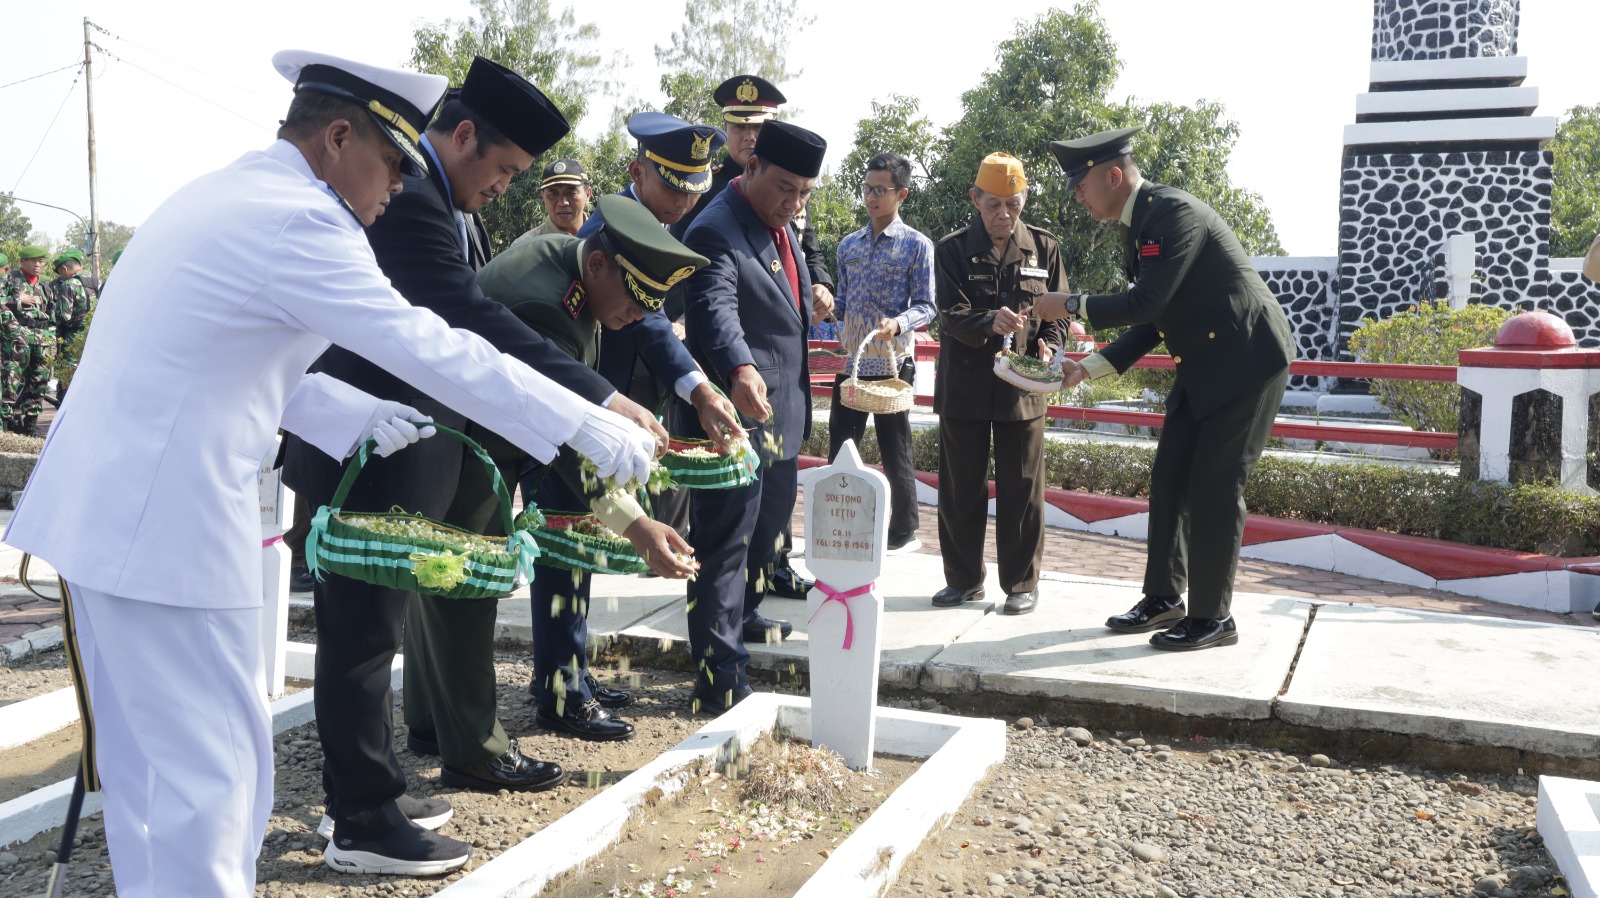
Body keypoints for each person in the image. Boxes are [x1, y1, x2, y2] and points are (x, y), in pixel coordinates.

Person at [2, 49, 653, 898]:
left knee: (151, 780)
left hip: (113, 526)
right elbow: (432, 343)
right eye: (389, 164)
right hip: (171, 537)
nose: (395, 189)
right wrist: (584, 422)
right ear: (339, 137)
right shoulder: (303, 220)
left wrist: (350, 416)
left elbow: (229, 356)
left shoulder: (231, 192)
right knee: (218, 783)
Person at [278, 55, 661, 876]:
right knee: (357, 639)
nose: (506, 187)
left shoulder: (442, 199)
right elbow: (464, 316)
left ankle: (374, 788)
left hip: (395, 448)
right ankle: (363, 820)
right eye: (505, 170)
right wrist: (593, 397)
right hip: (360, 453)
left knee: (376, 632)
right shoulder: (414, 196)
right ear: (461, 137)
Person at [463, 195, 726, 740]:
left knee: (569, 542)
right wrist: (638, 527)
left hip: (512, 431)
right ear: (601, 266)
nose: (632, 319)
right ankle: (499, 722)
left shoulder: (579, 266)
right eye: (631, 306)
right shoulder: (551, 304)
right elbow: (565, 443)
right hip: (475, 443)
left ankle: (567, 678)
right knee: (473, 585)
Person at [1037, 125, 1295, 651]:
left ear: (1113, 176)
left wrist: (1067, 304)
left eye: (1081, 185)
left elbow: (1144, 306)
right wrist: (1088, 368)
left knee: (1216, 489)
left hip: (1247, 360)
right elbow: (1154, 322)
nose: (1079, 197)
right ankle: (1164, 598)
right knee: (1171, 479)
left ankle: (1212, 618)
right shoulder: (1142, 226)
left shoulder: (1172, 214)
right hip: (1204, 364)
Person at [676, 120, 827, 712]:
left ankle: (739, 628)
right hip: (734, 418)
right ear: (751, 168)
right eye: (785, 187)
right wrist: (738, 368)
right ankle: (718, 675)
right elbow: (713, 308)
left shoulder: (780, 225)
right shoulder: (716, 227)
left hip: (781, 413)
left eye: (805, 193)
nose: (794, 203)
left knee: (763, 538)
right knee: (722, 546)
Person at [577, 111, 735, 547]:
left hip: (625, 392)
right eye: (672, 187)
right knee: (575, 539)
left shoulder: (656, 227)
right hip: (590, 396)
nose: (683, 203)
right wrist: (700, 390)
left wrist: (701, 391)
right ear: (637, 172)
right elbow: (649, 320)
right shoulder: (609, 231)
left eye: (694, 192)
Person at [931, 152, 1067, 617]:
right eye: (993, 205)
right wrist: (991, 320)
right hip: (965, 387)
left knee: (1023, 490)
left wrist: (1049, 343)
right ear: (975, 199)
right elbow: (948, 316)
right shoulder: (950, 249)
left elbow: (1059, 314)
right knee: (960, 489)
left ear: (1024, 199)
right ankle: (964, 580)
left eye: (1013, 204)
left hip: (1023, 390)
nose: (1004, 215)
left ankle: (1021, 583)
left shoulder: (1045, 249)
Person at [829, 152, 935, 554]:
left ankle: (904, 529)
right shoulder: (848, 246)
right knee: (842, 449)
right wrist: (826, 307)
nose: (871, 197)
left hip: (893, 364)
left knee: (896, 450)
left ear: (901, 194)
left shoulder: (917, 246)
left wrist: (899, 322)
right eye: (867, 188)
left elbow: (928, 305)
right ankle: (843, 523)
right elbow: (841, 302)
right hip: (851, 363)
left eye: (880, 190)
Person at [3, 244, 56, 435]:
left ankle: (31, 425)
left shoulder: (44, 285)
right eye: (33, 261)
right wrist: (18, 301)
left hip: (42, 340)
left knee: (39, 382)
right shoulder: (10, 281)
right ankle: (6, 425)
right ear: (22, 261)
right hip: (18, 339)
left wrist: (52, 339)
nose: (37, 264)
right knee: (11, 381)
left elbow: (51, 315)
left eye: (41, 261)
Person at [50, 249, 98, 398]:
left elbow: (63, 316)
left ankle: (65, 404)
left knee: (68, 374)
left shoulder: (69, 284)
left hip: (72, 336)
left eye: (60, 273)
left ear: (64, 269)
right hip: (93, 334)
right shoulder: (96, 280)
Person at [524, 158, 592, 237]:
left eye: (571, 193)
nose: (562, 203)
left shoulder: (606, 239)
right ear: (543, 196)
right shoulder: (526, 246)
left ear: (587, 194)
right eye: (553, 194)